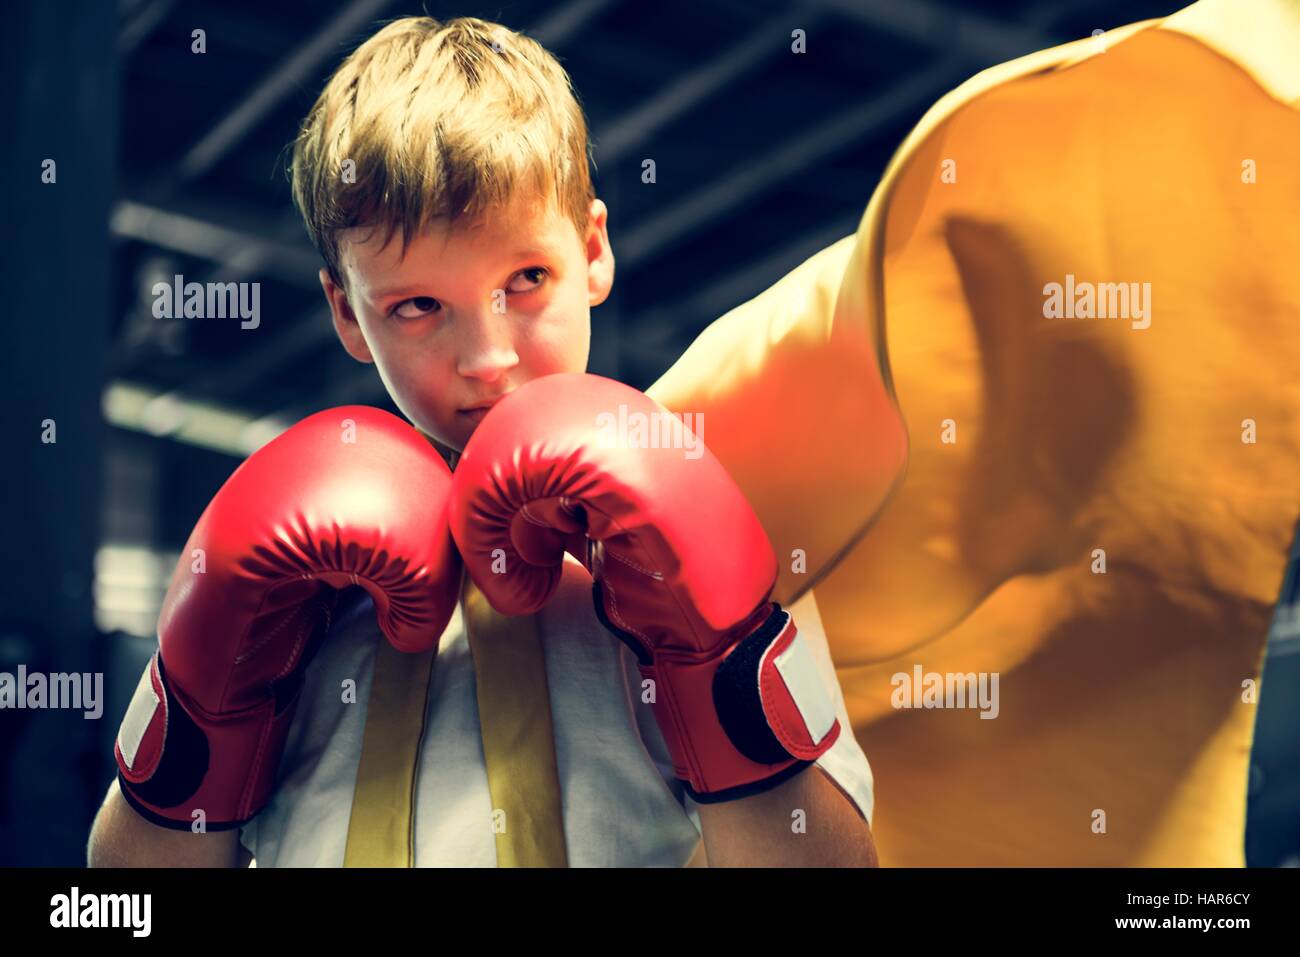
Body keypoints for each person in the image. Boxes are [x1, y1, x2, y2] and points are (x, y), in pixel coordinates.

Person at [87, 15, 880, 868]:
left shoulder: (709, 516)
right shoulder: (278, 571)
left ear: (593, 250)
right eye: (417, 306)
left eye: (527, 279)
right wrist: (209, 700)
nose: (487, 358)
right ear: (347, 313)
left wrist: (714, 650)